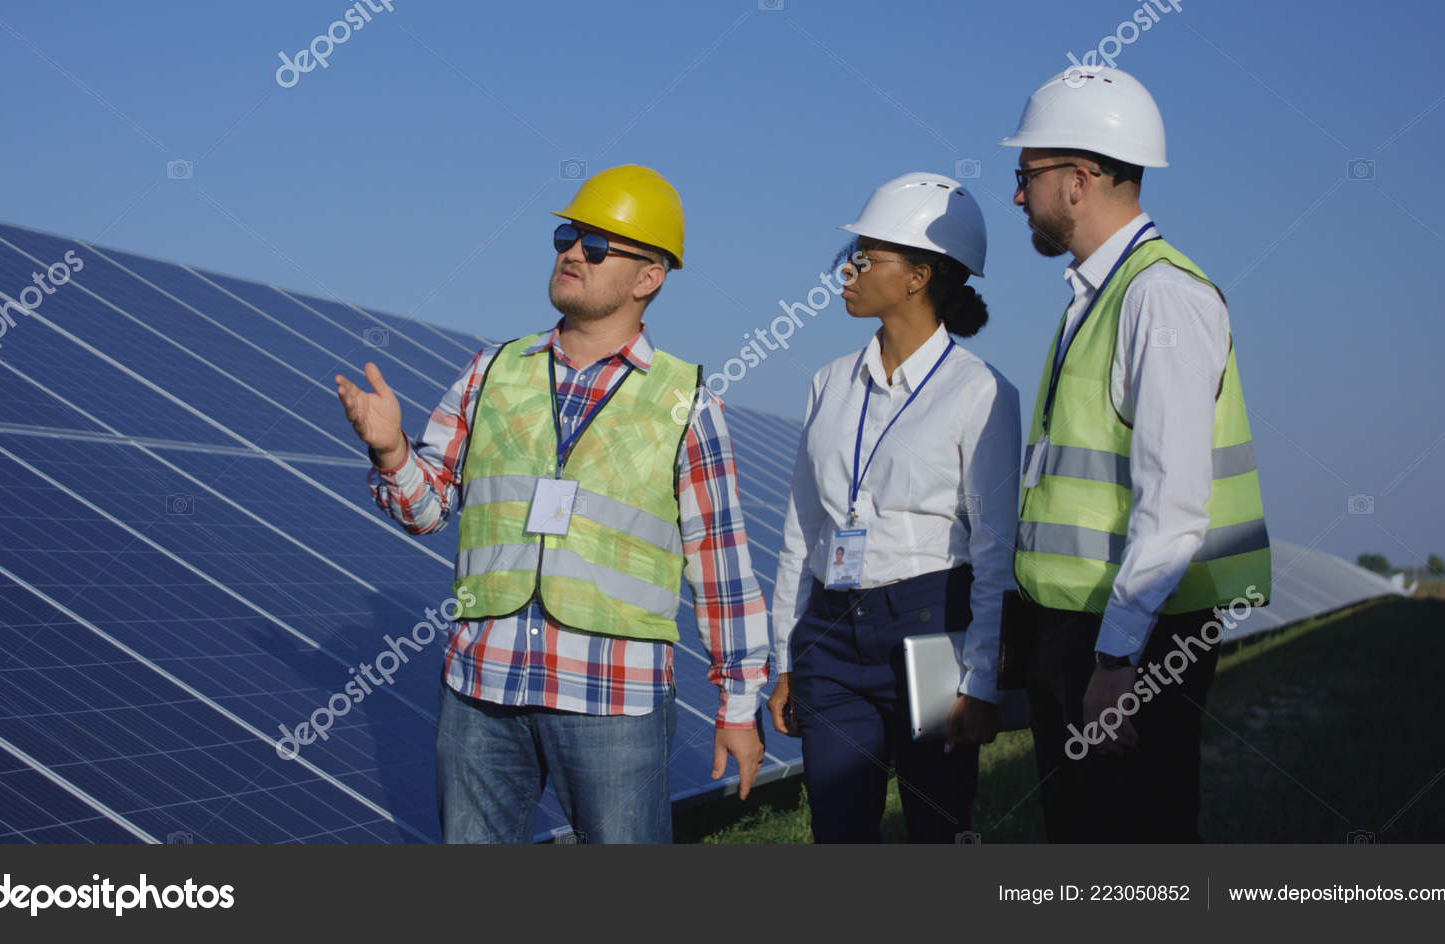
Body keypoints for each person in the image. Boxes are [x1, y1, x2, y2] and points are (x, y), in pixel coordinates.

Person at [334, 164, 769, 843]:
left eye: (597, 246)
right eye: (568, 235)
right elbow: (425, 512)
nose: (572, 252)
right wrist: (391, 452)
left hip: (614, 703)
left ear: (649, 277)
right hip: (482, 690)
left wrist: (740, 705)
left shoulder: (686, 402)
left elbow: (723, 568)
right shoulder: (492, 371)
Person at [999, 67, 1271, 841]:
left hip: (1127, 635)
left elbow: (1175, 503)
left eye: (1028, 175)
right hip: (1080, 628)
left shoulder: (1159, 297)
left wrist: (1117, 663)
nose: (1019, 195)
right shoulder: (1098, 296)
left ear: (1079, 180)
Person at [766, 172, 1020, 843]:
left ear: (918, 276)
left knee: (938, 827)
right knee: (838, 830)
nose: (846, 271)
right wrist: (786, 657)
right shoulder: (828, 383)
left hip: (932, 625)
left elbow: (996, 549)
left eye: (865, 258)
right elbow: (803, 527)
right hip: (829, 633)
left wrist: (983, 680)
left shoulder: (982, 392)